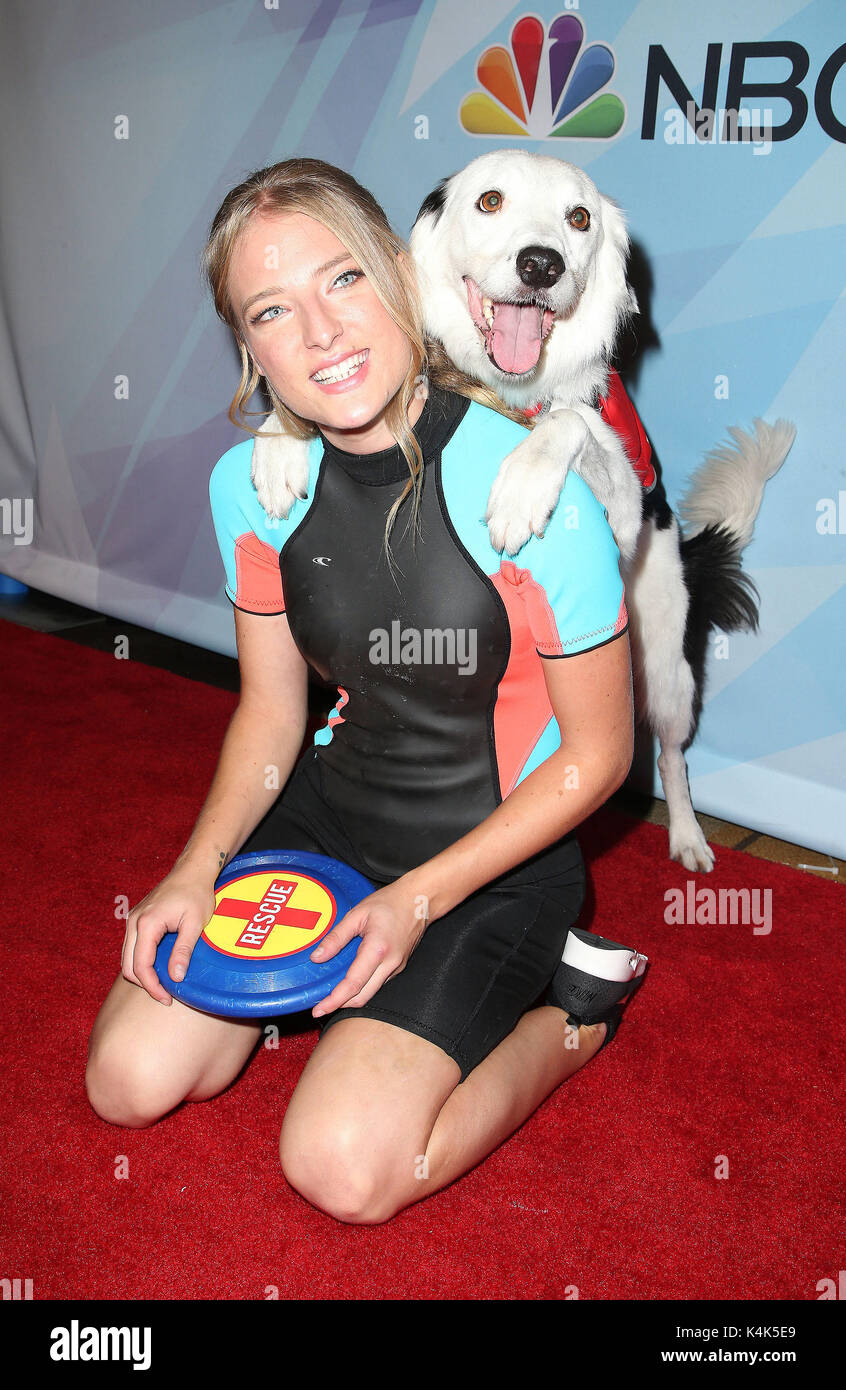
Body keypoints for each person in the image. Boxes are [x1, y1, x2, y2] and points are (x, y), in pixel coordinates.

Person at [85, 157, 647, 1225]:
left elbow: (598, 757)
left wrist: (417, 901)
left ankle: (574, 1014)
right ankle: (309, 998)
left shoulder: (536, 494)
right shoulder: (249, 487)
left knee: (342, 1168)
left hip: (492, 862)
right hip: (333, 825)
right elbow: (269, 710)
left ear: (402, 269)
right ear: (247, 345)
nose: (323, 334)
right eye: (271, 309)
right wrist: (195, 869)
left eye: (344, 281)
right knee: (130, 1082)